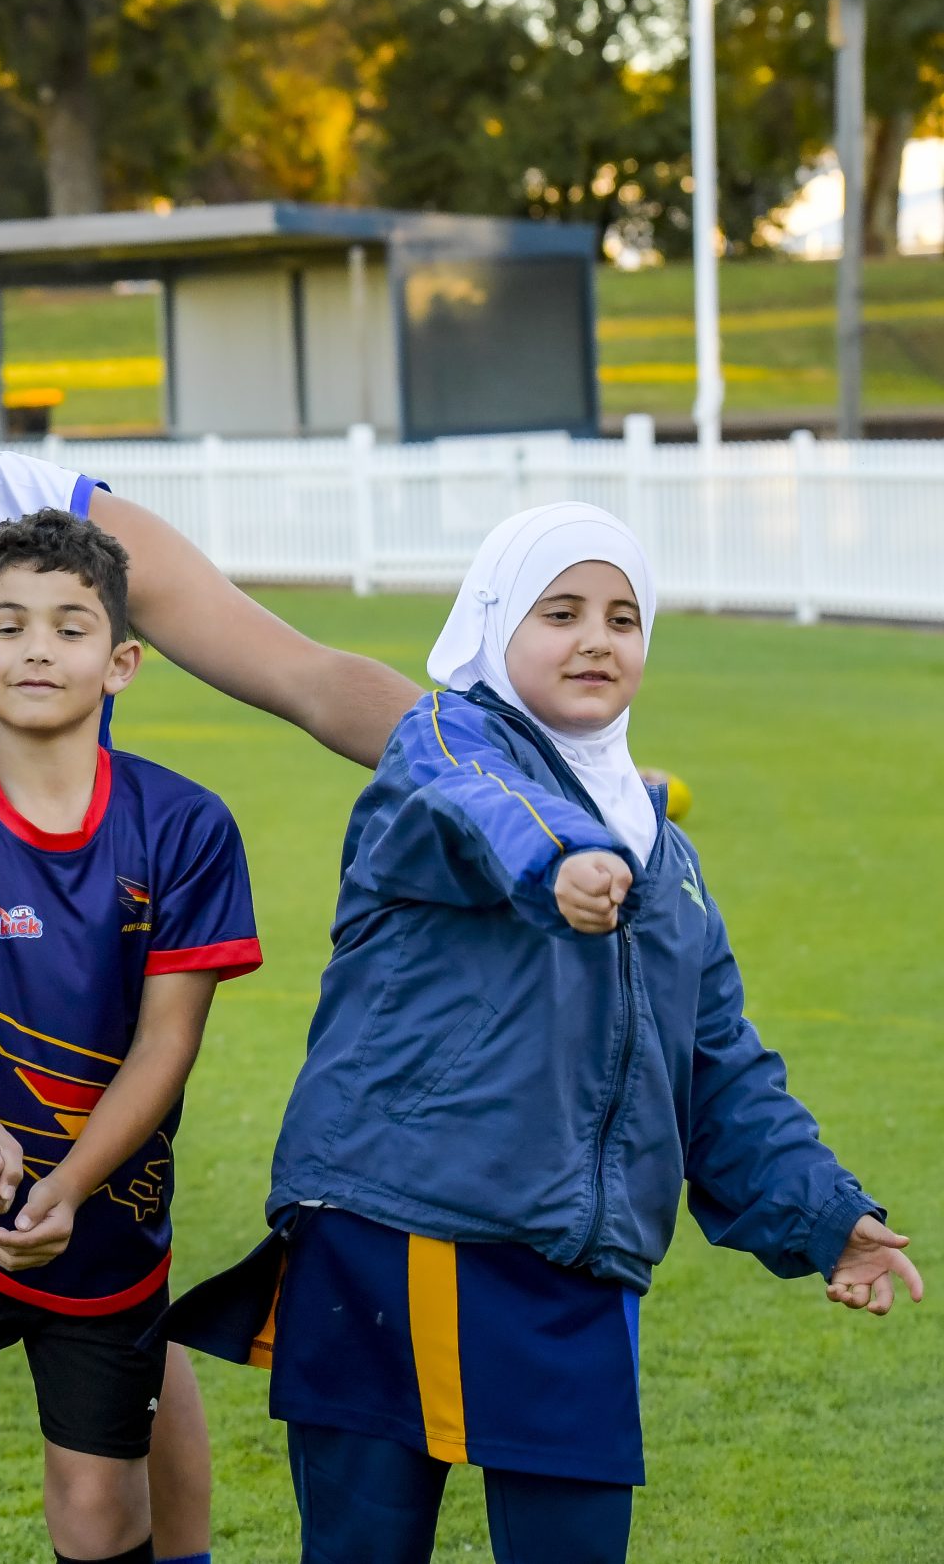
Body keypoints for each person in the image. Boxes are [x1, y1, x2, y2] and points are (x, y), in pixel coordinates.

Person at [0, 236, 410, 1564]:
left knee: (114, 1286)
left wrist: (522, 775)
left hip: (67, 926)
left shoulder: (76, 523)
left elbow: (300, 674)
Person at [164, 502, 921, 1564]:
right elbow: (480, 801)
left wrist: (825, 1213)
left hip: (576, 1261)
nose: (595, 638)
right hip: (399, 1229)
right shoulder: (439, 742)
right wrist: (562, 857)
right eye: (559, 612)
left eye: (622, 617)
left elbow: (719, 1071)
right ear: (492, 621)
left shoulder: (667, 859)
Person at [0, 511, 259, 1564]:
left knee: (98, 1508)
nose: (38, 648)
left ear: (120, 663)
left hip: (107, 1212)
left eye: (71, 628)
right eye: (9, 625)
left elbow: (167, 1043)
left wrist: (71, 1185)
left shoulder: (186, 825)